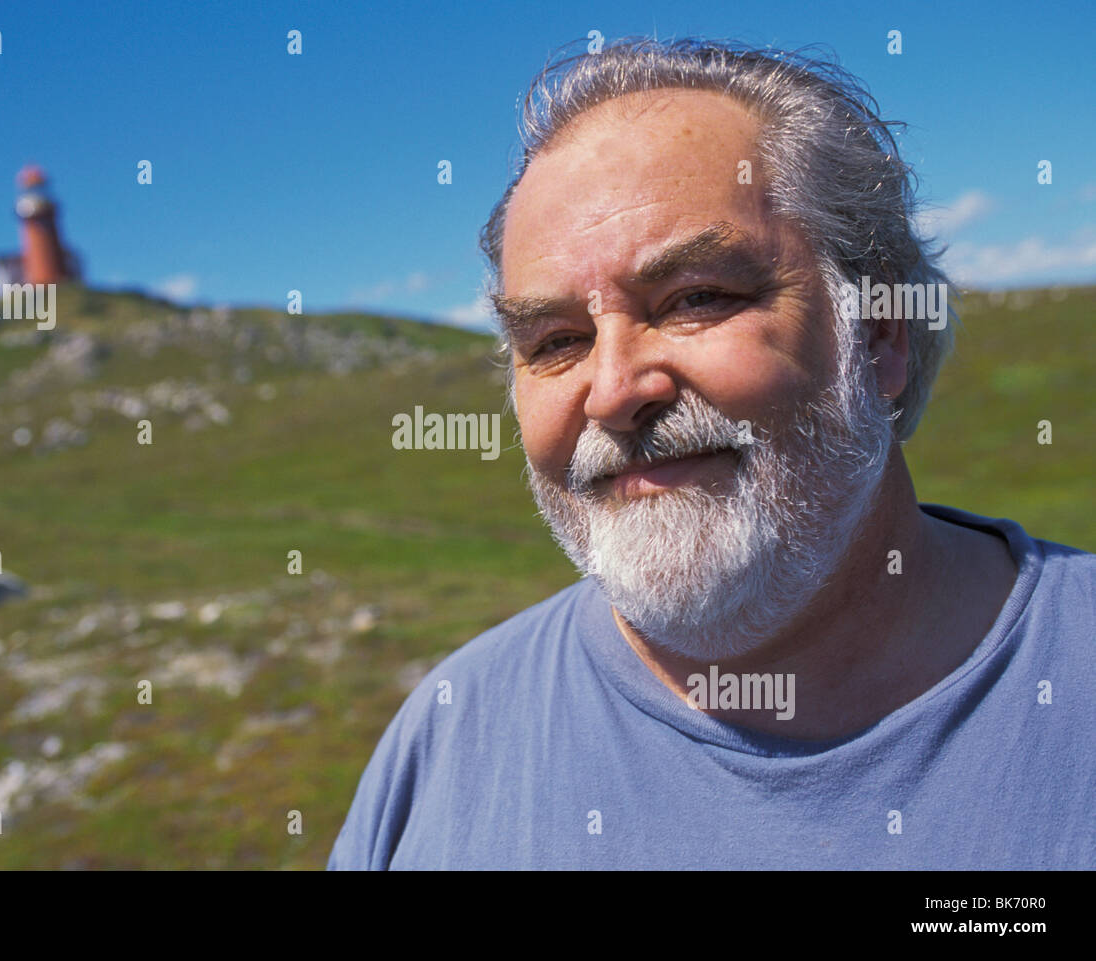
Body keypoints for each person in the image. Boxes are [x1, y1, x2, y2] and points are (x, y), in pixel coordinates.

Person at [328, 37, 1095, 869]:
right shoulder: (445, 738)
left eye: (695, 298)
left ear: (878, 333)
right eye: (555, 341)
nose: (614, 389)